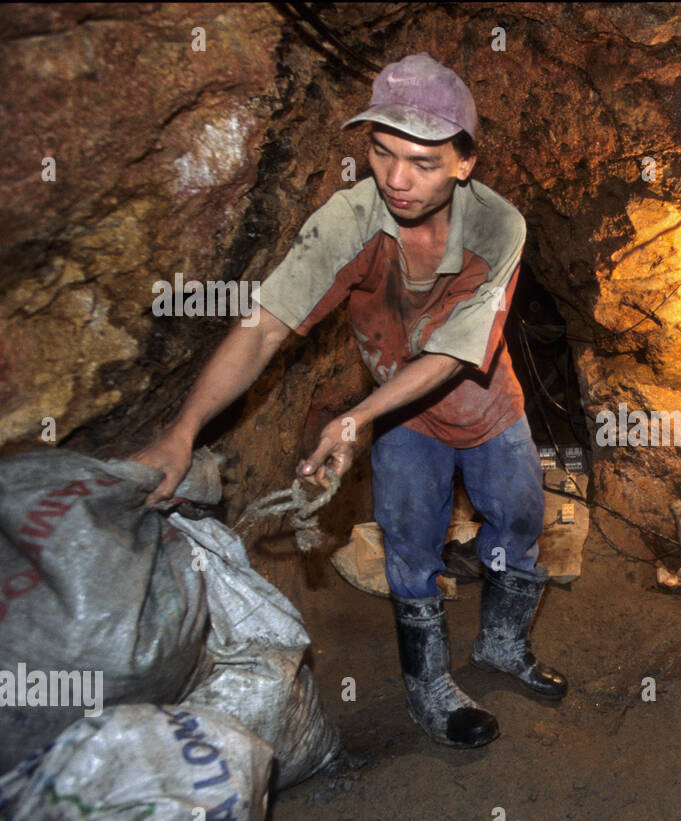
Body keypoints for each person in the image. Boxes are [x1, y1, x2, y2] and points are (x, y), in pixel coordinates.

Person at [132, 53, 565, 750]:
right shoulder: (349, 220)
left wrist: (351, 416)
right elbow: (265, 323)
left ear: (464, 161)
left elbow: (457, 354)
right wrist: (184, 430)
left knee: (519, 526)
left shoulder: (498, 228)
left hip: (490, 407)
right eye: (381, 152)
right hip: (400, 417)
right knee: (410, 548)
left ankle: (503, 645)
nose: (396, 178)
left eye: (423, 162)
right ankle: (429, 690)